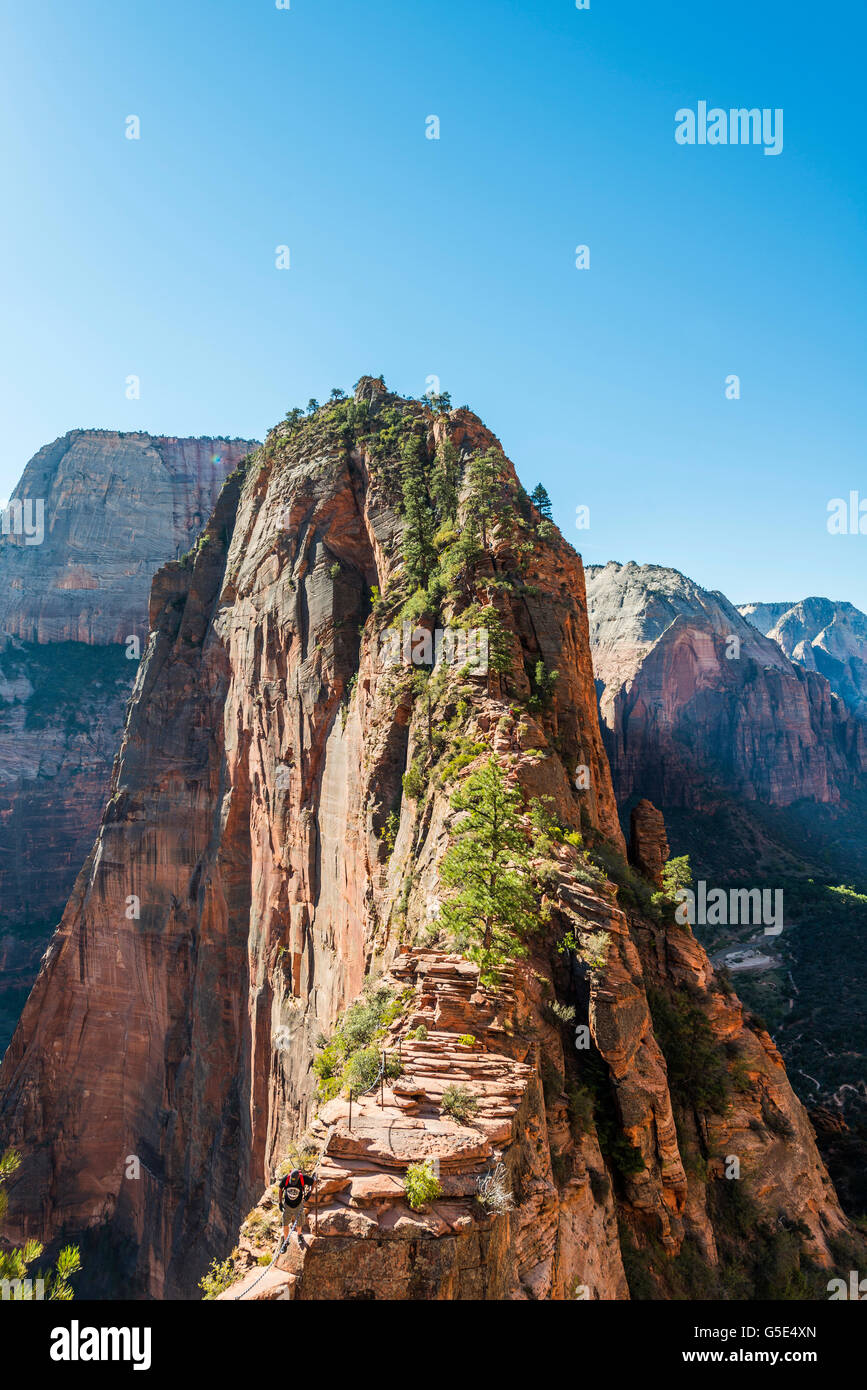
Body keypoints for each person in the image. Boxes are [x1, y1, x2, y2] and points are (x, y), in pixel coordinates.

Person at [278, 1167, 316, 1249]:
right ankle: (285, 1242)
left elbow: (313, 1182)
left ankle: (299, 1235)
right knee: (285, 1223)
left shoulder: (303, 1178)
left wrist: (310, 1192)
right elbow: (280, 1189)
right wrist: (280, 1202)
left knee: (299, 1222)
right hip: (287, 1205)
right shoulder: (286, 1179)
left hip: (298, 1205)